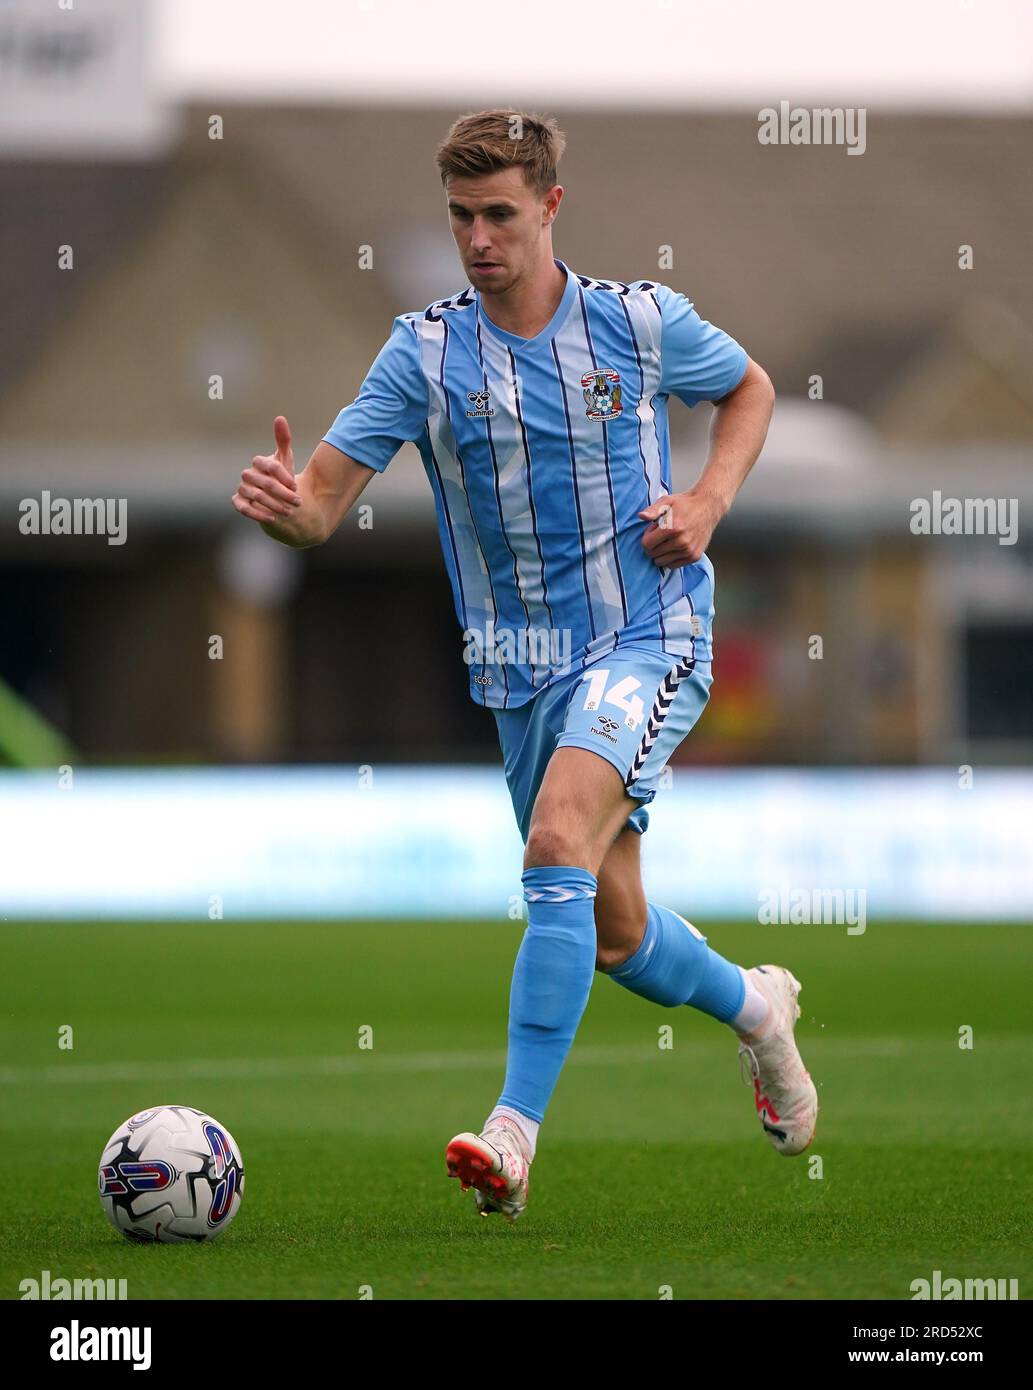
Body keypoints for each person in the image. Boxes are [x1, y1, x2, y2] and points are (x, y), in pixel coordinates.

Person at [231, 108, 817, 1223]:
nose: (477, 237)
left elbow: (748, 389)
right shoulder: (425, 353)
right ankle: (755, 1006)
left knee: (555, 840)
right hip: (516, 671)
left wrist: (706, 499)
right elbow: (317, 509)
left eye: (499, 213)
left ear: (551, 207)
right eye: (460, 216)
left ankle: (512, 1133)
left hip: (648, 634)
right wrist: (281, 511)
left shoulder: (640, 324)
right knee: (614, 931)